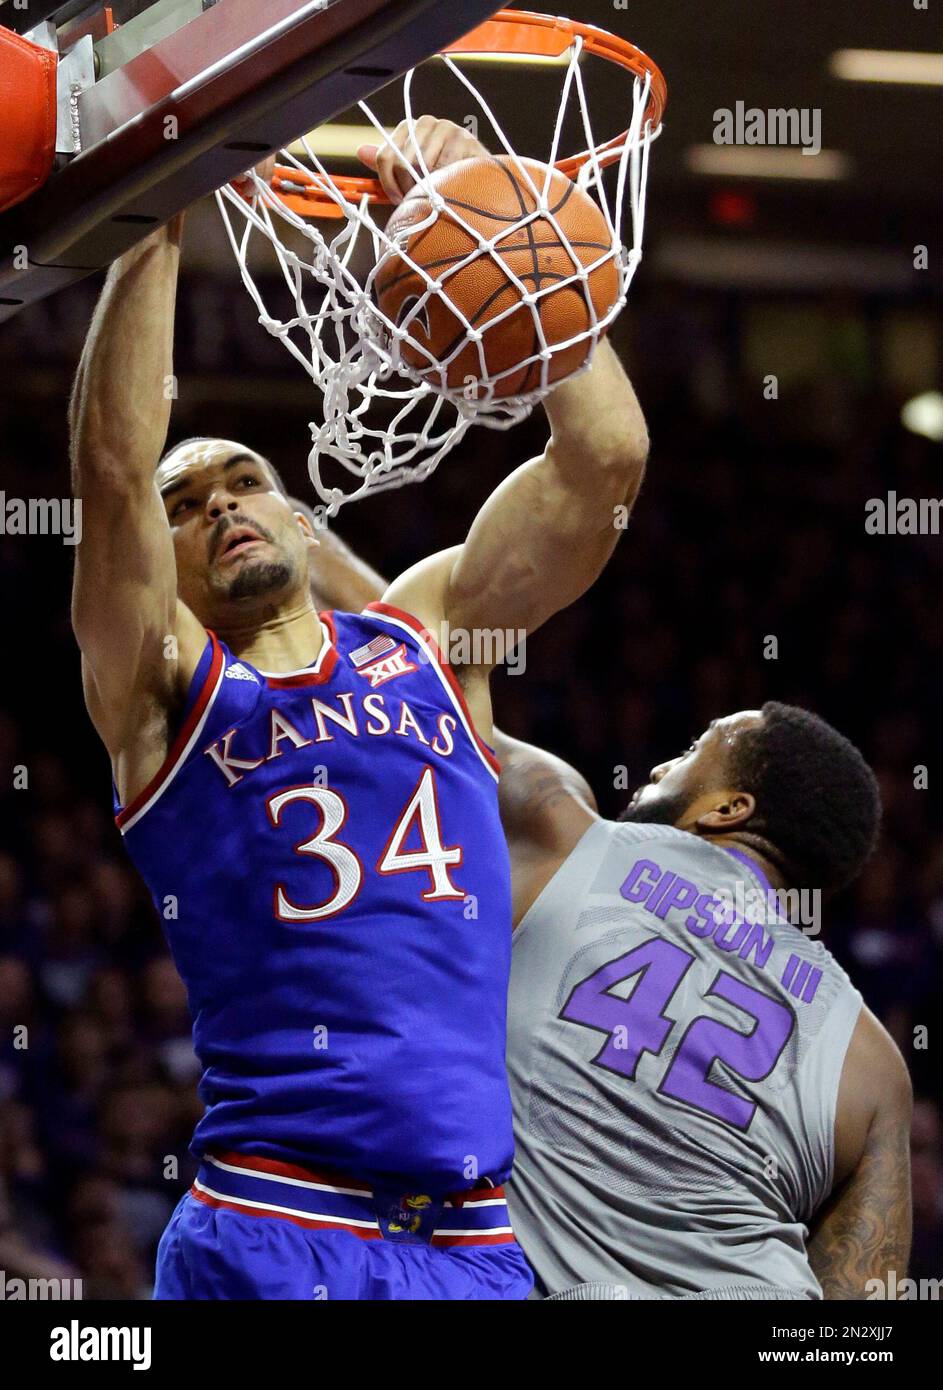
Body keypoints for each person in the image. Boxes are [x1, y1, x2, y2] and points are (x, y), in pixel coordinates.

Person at [67, 118, 649, 1300]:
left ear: (299, 522)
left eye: (248, 484)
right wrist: (159, 207)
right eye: (192, 506)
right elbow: (115, 474)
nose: (222, 506)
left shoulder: (422, 632)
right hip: (277, 1217)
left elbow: (607, 460)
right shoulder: (164, 693)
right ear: (161, 562)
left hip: (476, 1238)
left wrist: (490, 203)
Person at [497, 707, 913, 1299]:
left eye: (694, 749)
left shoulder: (566, 836)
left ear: (727, 809)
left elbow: (435, 684)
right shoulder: (872, 1062)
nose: (665, 763)